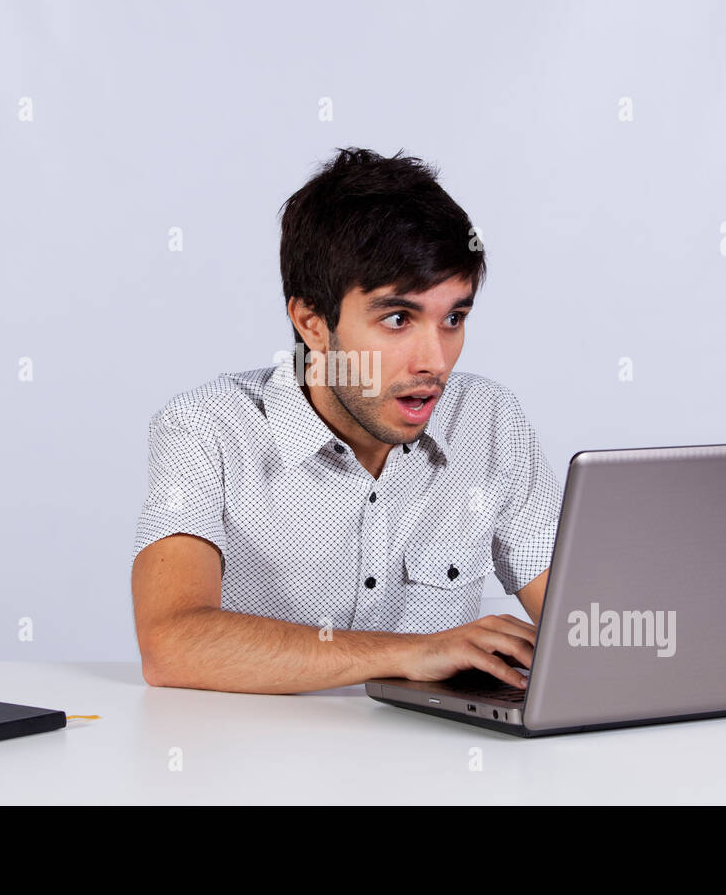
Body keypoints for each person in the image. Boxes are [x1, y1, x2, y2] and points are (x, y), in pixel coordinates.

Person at [131, 147, 563, 694]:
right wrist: (415, 653)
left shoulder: (490, 421)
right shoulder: (207, 428)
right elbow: (171, 645)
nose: (435, 360)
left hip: (441, 769)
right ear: (312, 321)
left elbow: (585, 627)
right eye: (398, 318)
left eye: (454, 317)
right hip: (258, 768)